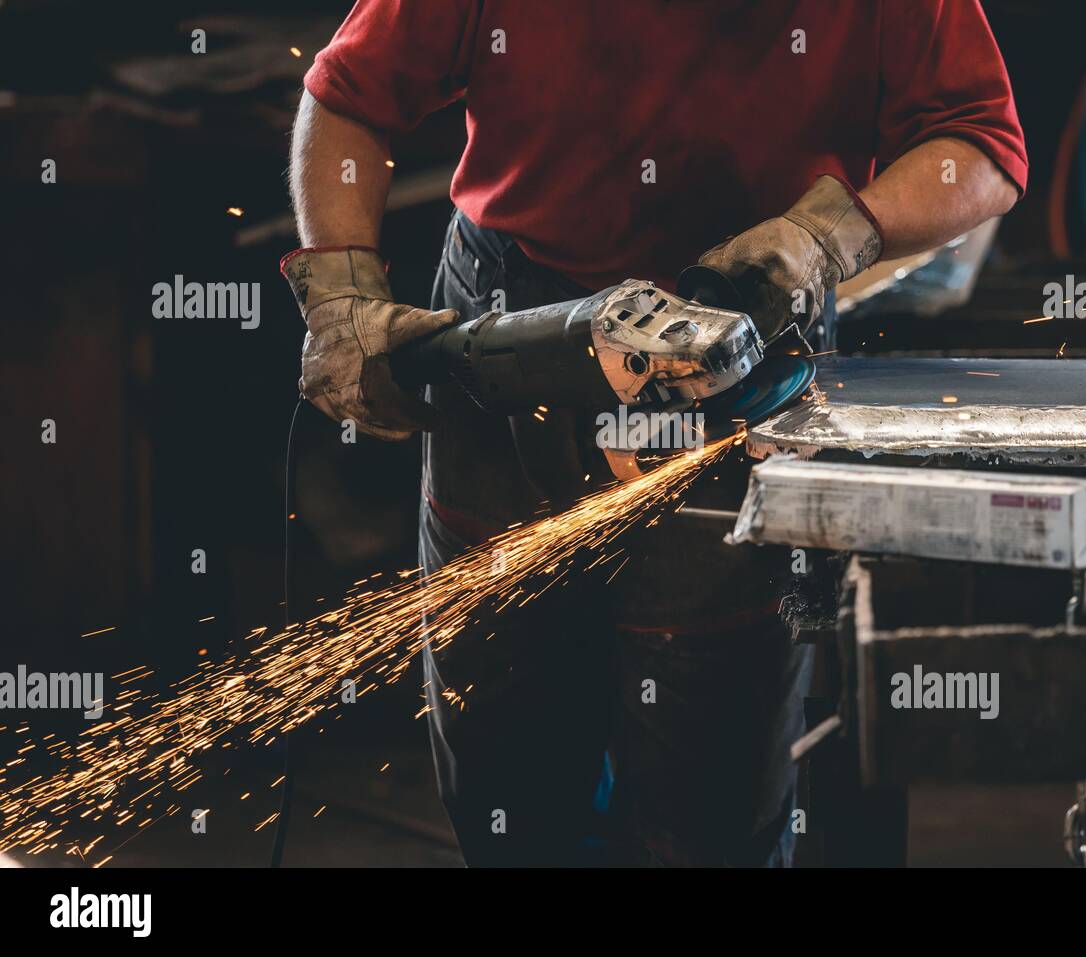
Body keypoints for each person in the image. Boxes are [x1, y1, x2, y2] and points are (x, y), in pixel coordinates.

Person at [281, 0, 1026, 866]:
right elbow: (348, 98)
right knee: (506, 785)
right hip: (515, 340)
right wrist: (339, 293)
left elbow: (981, 145)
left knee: (712, 789)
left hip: (743, 350)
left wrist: (828, 235)